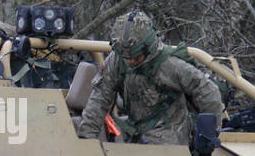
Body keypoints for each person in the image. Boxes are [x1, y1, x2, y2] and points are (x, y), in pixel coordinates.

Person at [78, 9, 225, 145]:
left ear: (148, 48)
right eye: (126, 56)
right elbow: (99, 99)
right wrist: (87, 140)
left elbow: (207, 91)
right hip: (136, 134)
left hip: (170, 137)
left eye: (135, 56)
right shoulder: (117, 59)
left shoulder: (169, 64)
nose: (130, 61)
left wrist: (210, 133)